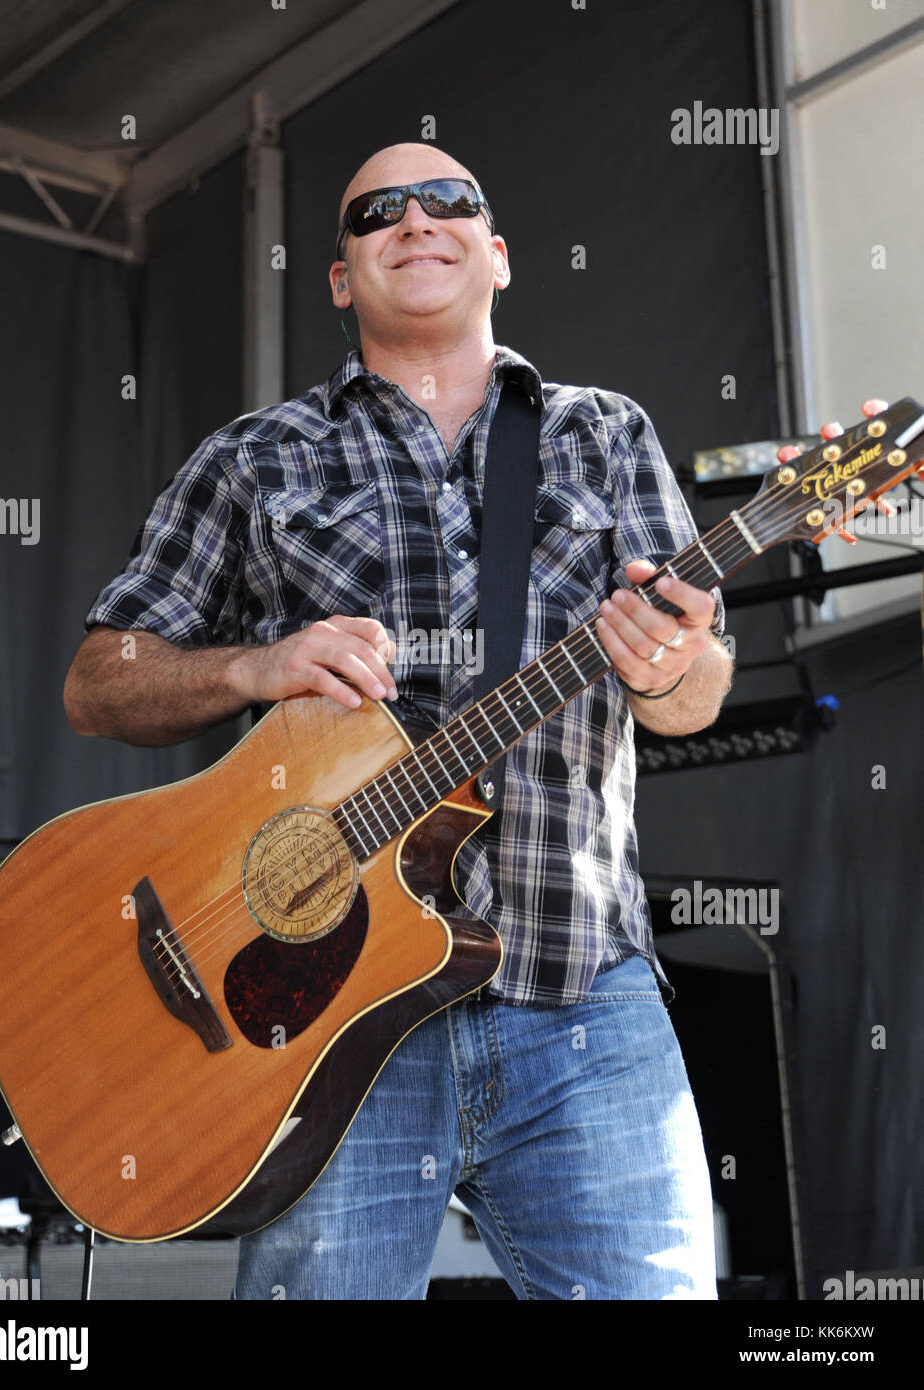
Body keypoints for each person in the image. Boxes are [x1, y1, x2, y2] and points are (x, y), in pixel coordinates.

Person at [64, 142, 737, 1299]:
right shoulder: (255, 458)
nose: (416, 220)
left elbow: (689, 700)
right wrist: (256, 664)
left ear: (498, 253)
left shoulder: (604, 435)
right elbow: (98, 680)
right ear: (339, 276)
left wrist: (672, 663)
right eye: (380, 210)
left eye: (450, 202)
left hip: (578, 991)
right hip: (326, 1029)